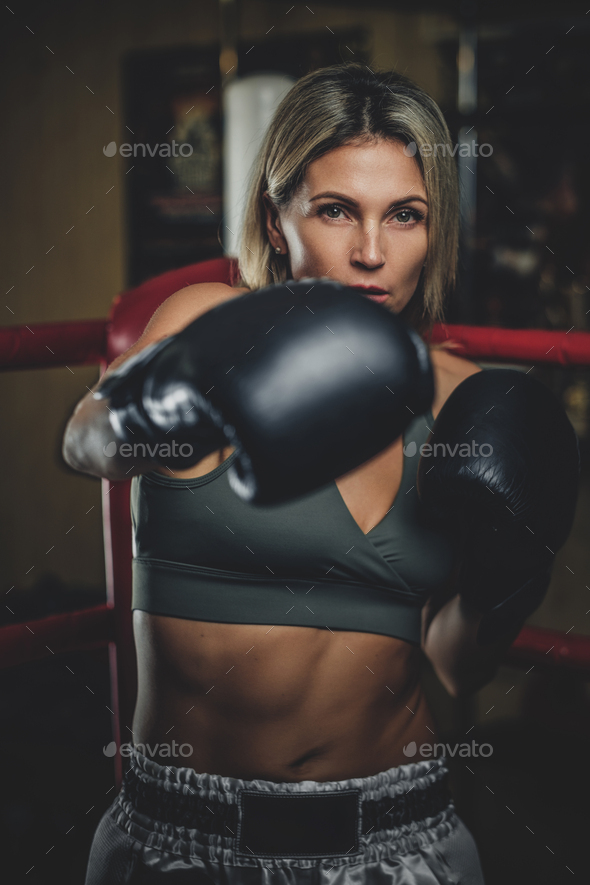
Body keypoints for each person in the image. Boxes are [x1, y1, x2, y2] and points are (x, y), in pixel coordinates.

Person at [62, 63, 578, 884]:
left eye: (405, 216)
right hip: (188, 842)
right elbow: (86, 438)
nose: (371, 253)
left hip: (401, 837)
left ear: (434, 230)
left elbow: (454, 662)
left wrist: (504, 579)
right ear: (276, 221)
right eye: (337, 210)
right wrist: (166, 406)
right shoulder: (209, 325)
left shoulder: (461, 400)